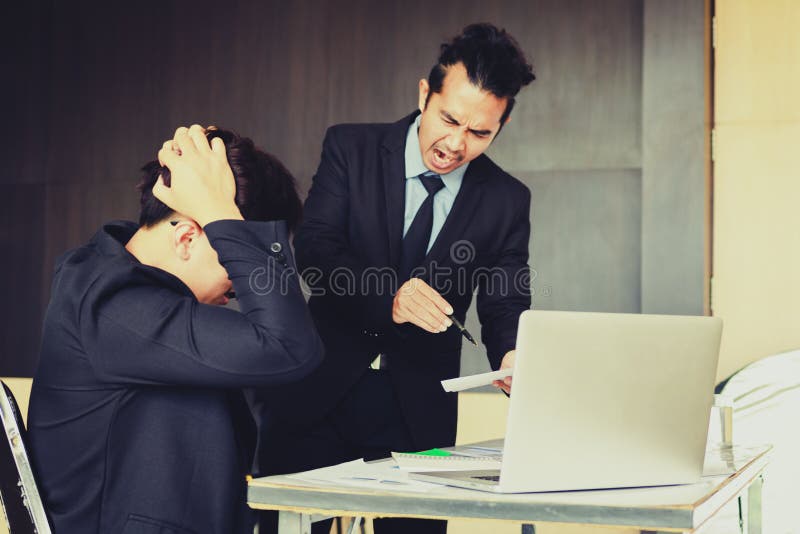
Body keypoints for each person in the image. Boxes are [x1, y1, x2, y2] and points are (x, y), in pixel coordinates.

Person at [256, 23, 535, 534]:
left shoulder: (506, 199)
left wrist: (512, 353)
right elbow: (315, 251)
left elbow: (505, 296)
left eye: (479, 133)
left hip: (417, 411)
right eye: (448, 119)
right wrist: (389, 298)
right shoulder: (350, 148)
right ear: (424, 93)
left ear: (503, 123)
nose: (455, 144)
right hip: (320, 390)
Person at [27, 125, 324, 534]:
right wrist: (218, 211)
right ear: (187, 237)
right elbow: (289, 345)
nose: (239, 290)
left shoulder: (118, 292)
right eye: (235, 265)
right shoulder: (112, 306)